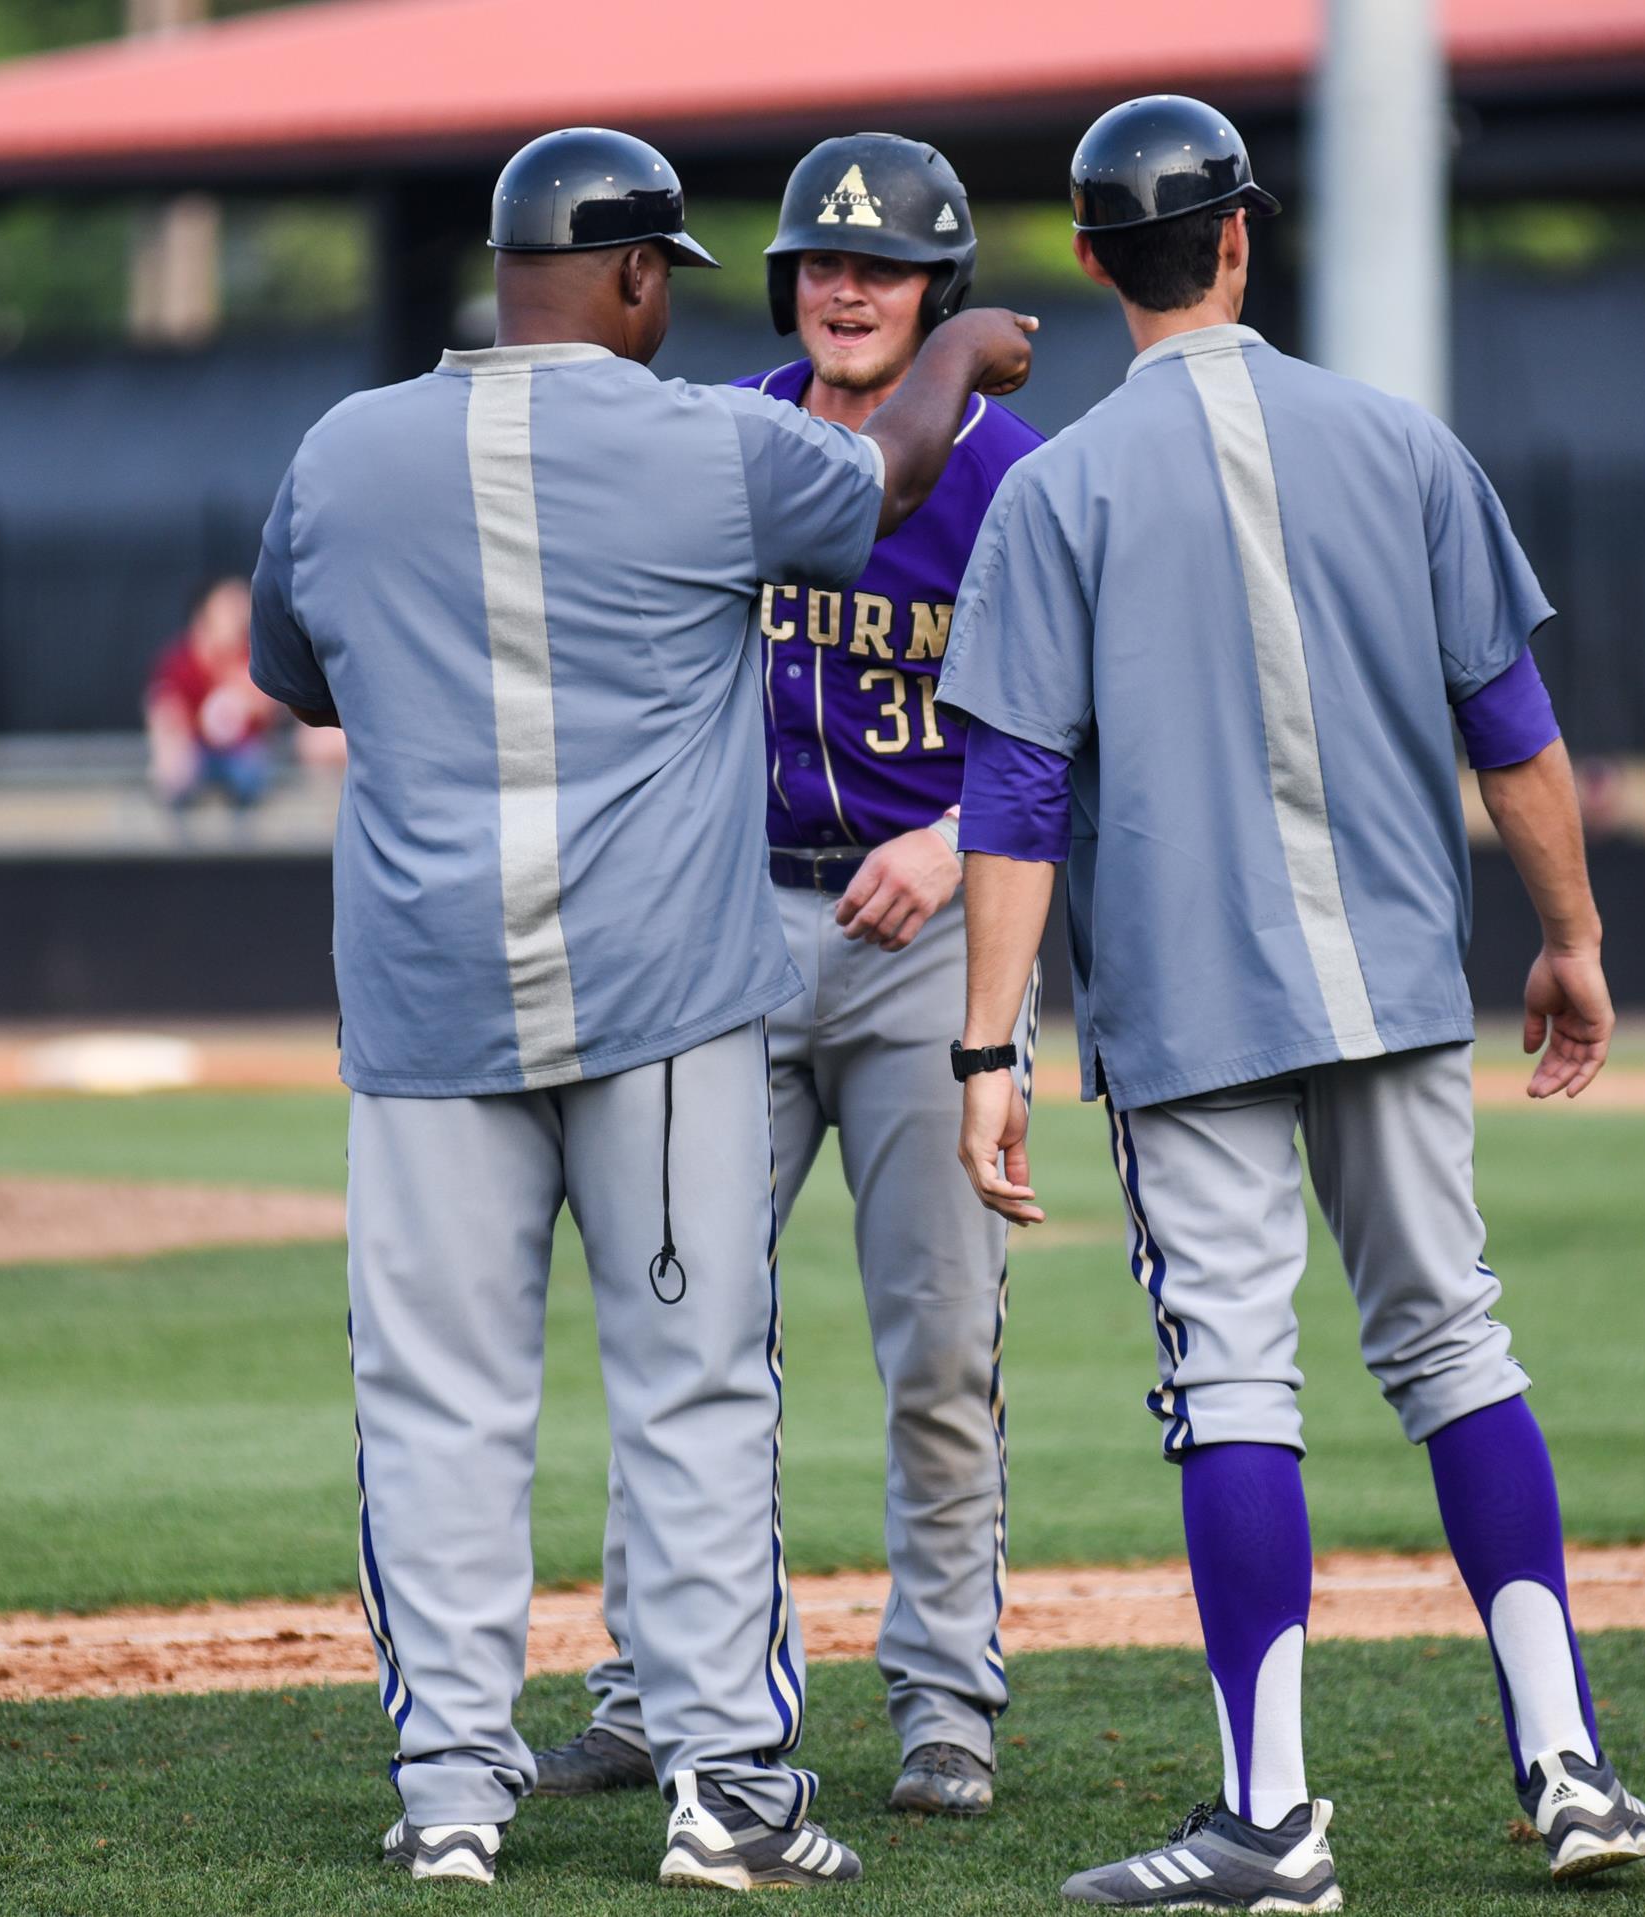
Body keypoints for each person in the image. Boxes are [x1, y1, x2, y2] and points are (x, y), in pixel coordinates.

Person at [247, 125, 1034, 1892]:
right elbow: (895, 473)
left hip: (429, 1001)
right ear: (623, 278)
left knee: (437, 1398)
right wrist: (972, 352)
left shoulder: (341, 451)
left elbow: (293, 679)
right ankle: (726, 1791)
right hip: (663, 1001)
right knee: (694, 1391)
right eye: (659, 281)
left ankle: (452, 1788)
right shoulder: (707, 446)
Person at [937, 94, 1645, 1911]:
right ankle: (1567, 1762)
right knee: (1455, 1343)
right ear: (1244, 238)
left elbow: (1018, 802)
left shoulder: (1058, 488)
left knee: (1238, 1380)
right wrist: (1572, 936)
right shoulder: (1401, 440)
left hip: (1191, 1009)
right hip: (1403, 981)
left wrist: (986, 1043)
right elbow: (1513, 729)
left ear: (1099, 264)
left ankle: (1272, 1823)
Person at [534, 133, 1045, 1821]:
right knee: (681, 1324)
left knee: (939, 1344)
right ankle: (654, 1685)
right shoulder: (724, 441)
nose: (845, 287)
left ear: (935, 291)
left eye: (882, 268)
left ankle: (945, 1702)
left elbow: (1086, 727)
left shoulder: (1011, 475)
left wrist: (963, 829)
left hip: (924, 954)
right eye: (822, 264)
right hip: (727, 928)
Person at [144, 576, 278, 809]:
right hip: (196, 753)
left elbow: (267, 708)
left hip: (241, 757)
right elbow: (164, 712)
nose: (237, 617)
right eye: (228, 609)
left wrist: (241, 689)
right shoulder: (181, 662)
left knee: (250, 772)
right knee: (177, 772)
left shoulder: (252, 661)